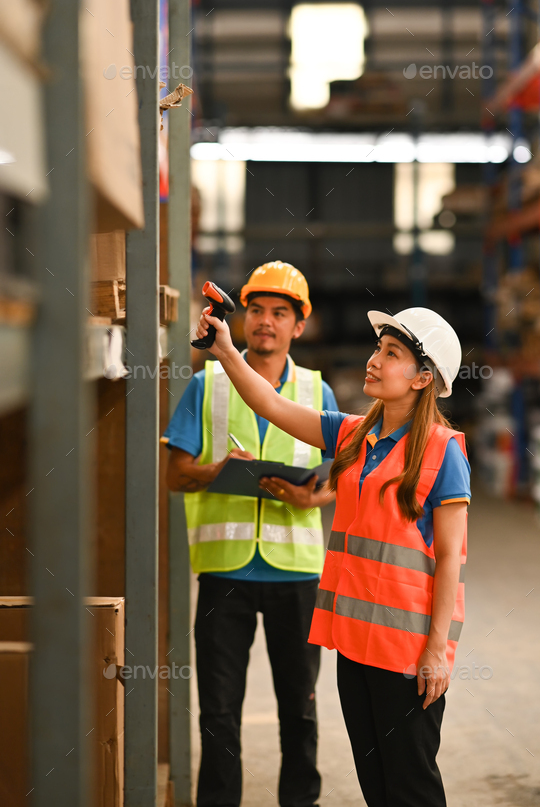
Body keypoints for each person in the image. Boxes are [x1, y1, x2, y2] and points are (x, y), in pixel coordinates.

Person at [193, 303, 471, 807]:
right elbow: (271, 406)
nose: (374, 360)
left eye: (391, 353)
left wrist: (436, 650)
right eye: (377, 348)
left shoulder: (443, 450)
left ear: (423, 379)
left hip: (406, 654)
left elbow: (451, 557)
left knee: (411, 788)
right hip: (355, 645)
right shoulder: (352, 435)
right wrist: (226, 351)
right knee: (375, 786)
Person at [164, 261, 339, 807]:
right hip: (225, 574)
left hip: (298, 574)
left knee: (300, 705)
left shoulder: (317, 390)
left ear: (299, 325)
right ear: (242, 320)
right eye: (257, 310)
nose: (266, 321)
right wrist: (214, 472)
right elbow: (173, 475)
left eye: (280, 313)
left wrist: (316, 496)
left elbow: (349, 476)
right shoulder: (205, 385)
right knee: (218, 709)